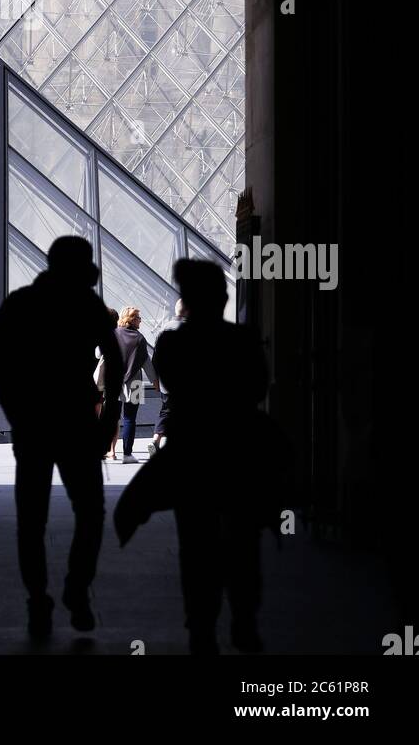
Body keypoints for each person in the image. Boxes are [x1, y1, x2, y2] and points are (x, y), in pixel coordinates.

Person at [0, 236, 122, 639]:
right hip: (78, 420)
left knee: (31, 519)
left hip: (34, 424)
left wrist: (18, 416)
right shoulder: (88, 305)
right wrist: (107, 419)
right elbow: (112, 362)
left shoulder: (19, 303)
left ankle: (37, 600)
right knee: (91, 512)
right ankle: (76, 590)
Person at [147, 259, 270, 655]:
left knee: (196, 545)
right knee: (242, 543)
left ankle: (201, 623)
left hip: (191, 457)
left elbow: (173, 386)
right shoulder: (245, 340)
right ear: (220, 296)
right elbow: (256, 389)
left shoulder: (171, 344)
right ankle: (244, 620)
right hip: (239, 455)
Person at [116, 307, 159, 464]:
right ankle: (127, 454)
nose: (140, 320)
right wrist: (156, 384)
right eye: (139, 318)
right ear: (132, 319)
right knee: (129, 419)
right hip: (134, 383)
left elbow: (98, 353)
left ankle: (107, 451)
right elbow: (147, 364)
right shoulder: (139, 338)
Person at [148, 297, 187, 456]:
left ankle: (156, 440)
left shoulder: (164, 329)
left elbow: (156, 357)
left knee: (166, 410)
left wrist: (156, 379)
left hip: (166, 382)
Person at [94, 307, 121, 460]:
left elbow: (97, 353)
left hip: (101, 380)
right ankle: (113, 450)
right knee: (117, 415)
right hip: (123, 381)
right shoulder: (124, 335)